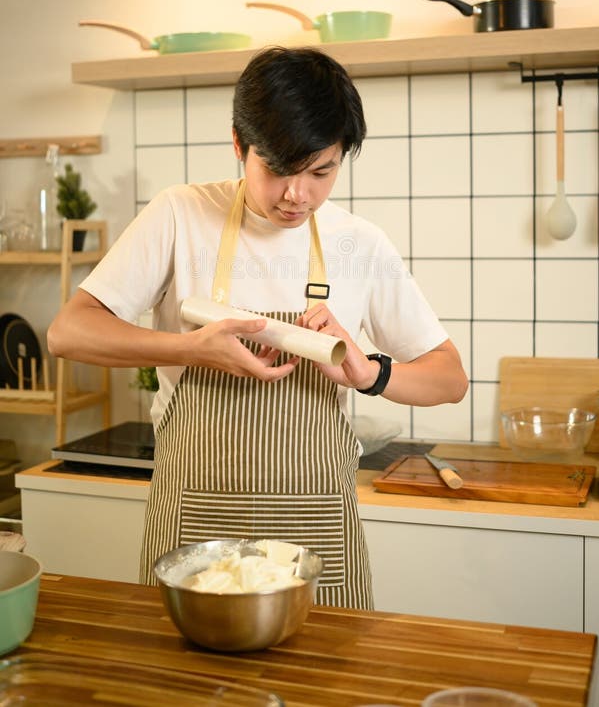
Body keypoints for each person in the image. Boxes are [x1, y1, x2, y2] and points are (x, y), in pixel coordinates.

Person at [48, 46, 468, 609]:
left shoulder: (358, 244)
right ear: (239, 145)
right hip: (195, 528)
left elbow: (449, 378)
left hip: (316, 537)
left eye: (322, 172)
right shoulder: (179, 214)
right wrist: (192, 348)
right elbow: (68, 333)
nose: (299, 195)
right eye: (278, 170)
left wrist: (368, 373)